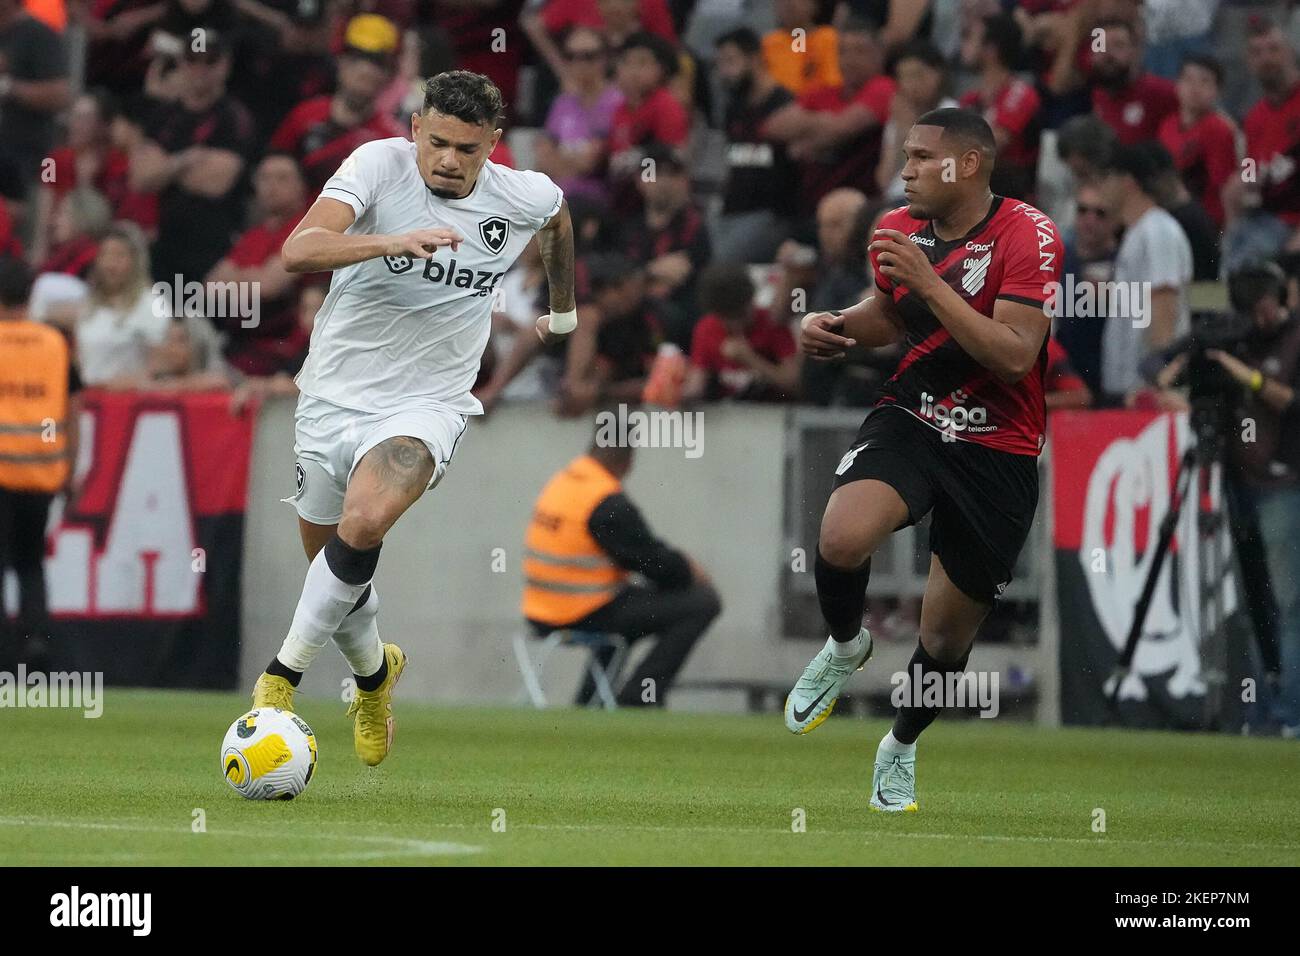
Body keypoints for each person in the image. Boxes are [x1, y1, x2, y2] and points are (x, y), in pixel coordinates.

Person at [250, 71, 576, 768]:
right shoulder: (377, 166)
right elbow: (298, 251)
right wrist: (390, 242)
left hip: (427, 403)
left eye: (467, 148)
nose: (449, 160)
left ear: (493, 144)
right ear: (414, 130)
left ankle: (280, 681)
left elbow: (557, 218)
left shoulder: (520, 193)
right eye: (437, 142)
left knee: (363, 524)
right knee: (338, 571)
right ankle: (374, 677)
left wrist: (565, 304)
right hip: (333, 397)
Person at [791, 108, 1063, 812]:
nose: (904, 168)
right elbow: (891, 313)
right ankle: (846, 644)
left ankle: (900, 746)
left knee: (943, 636)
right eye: (904, 155)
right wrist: (836, 327)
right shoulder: (897, 231)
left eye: (919, 156)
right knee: (843, 535)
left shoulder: (1028, 233)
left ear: (968, 164)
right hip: (915, 414)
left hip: (998, 447)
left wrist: (932, 282)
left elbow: (1014, 355)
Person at [522, 435, 720, 707]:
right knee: (702, 602)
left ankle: (590, 700)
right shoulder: (604, 500)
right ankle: (637, 699)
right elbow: (654, 563)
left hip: (541, 609)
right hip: (580, 611)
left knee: (632, 607)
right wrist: (688, 569)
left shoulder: (565, 481)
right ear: (627, 460)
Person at [0, 257, 81, 669]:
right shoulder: (53, 343)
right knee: (31, 563)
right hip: (41, 471)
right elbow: (71, 408)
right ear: (30, 295)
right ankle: (36, 644)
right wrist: (71, 466)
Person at [1097, 142, 1193, 403]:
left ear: (1127, 182)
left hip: (1145, 390)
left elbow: (1163, 304)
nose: (1101, 187)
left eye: (1107, 178)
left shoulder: (1158, 231)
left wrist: (1159, 381)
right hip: (1127, 386)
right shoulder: (1136, 234)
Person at [73, 222, 173, 387]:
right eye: (104, 255)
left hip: (127, 401)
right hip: (89, 399)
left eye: (119, 256)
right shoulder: (88, 304)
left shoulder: (151, 304)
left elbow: (161, 366)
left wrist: (127, 383)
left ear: (136, 260)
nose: (109, 264)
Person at [684, 261, 799, 401]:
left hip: (772, 411)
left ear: (751, 301)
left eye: (741, 315)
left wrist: (751, 359)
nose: (736, 325)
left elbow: (795, 383)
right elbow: (696, 384)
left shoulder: (772, 324)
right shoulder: (706, 329)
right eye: (728, 318)